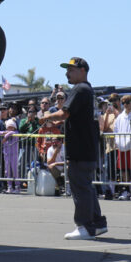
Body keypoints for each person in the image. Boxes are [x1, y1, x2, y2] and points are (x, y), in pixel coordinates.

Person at [42, 57, 107, 240]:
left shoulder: (80, 89)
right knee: (86, 186)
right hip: (86, 147)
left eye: (71, 69)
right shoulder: (87, 90)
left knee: (80, 187)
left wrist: (45, 117)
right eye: (67, 69)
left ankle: (85, 226)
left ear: (83, 70)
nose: (67, 73)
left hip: (80, 148)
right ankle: (97, 223)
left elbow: (64, 113)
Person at [113, 95, 131, 200]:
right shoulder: (120, 117)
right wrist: (118, 142)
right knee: (123, 169)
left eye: (128, 102)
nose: (126, 105)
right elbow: (116, 130)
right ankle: (126, 189)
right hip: (121, 146)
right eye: (124, 103)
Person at [0, 119, 20, 194]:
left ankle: (17, 186)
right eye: (8, 127)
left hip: (14, 155)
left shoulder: (16, 133)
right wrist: (4, 132)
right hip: (6, 154)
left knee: (15, 171)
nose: (9, 129)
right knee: (7, 171)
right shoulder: (6, 132)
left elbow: (12, 133)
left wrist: (5, 136)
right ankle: (9, 186)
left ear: (14, 127)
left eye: (11, 127)